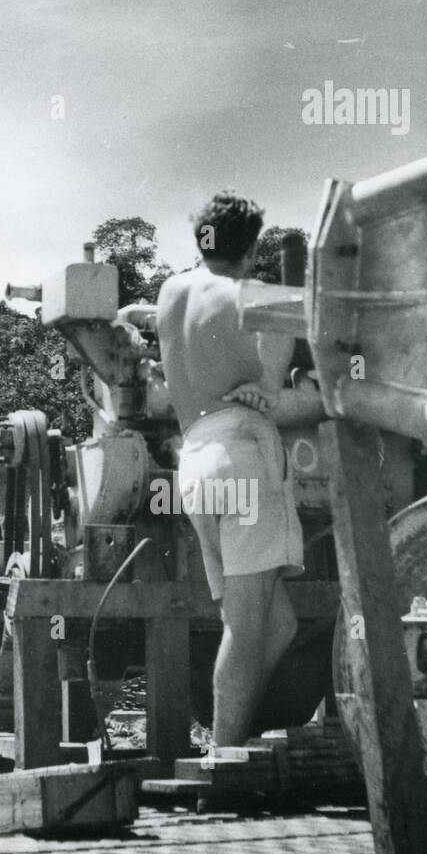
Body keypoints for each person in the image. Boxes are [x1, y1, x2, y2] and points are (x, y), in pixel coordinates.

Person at [156, 192, 303, 748]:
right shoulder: (257, 297)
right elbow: (278, 364)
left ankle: (233, 736)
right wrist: (268, 385)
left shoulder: (170, 292)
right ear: (251, 246)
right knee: (245, 629)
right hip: (240, 450)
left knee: (277, 625)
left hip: (193, 463)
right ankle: (222, 756)